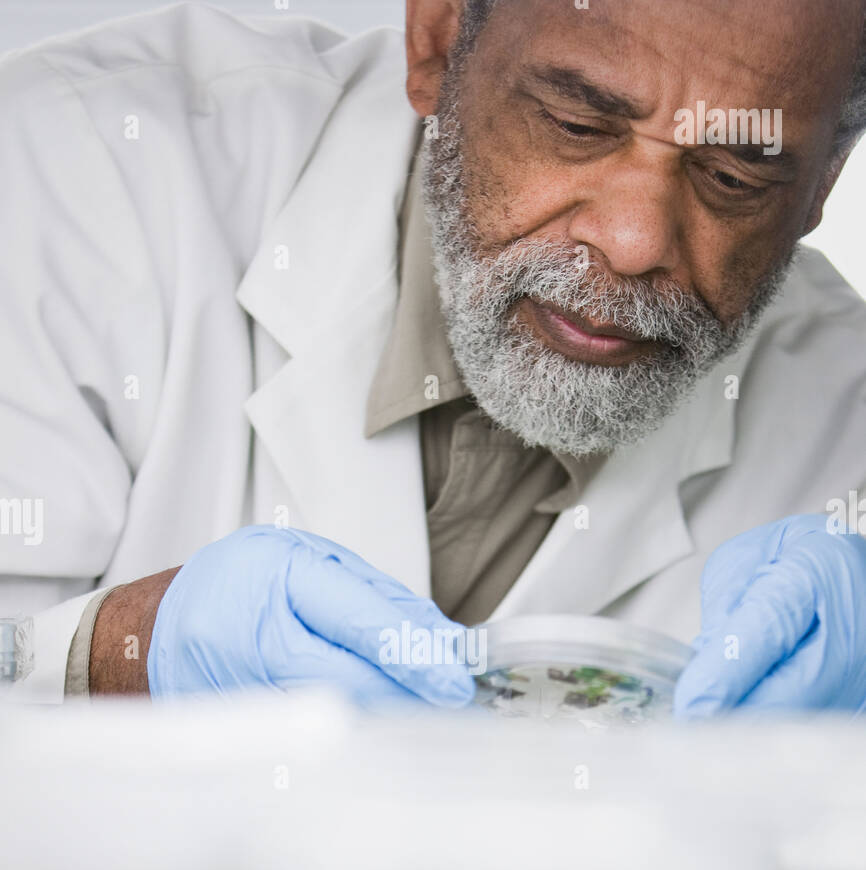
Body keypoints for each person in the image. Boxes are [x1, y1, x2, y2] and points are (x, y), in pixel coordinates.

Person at [1, 0, 865, 714]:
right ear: (439, 41)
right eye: (575, 124)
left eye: (734, 180)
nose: (635, 242)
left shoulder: (845, 417)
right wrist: (109, 653)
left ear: (824, 184)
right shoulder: (78, 176)